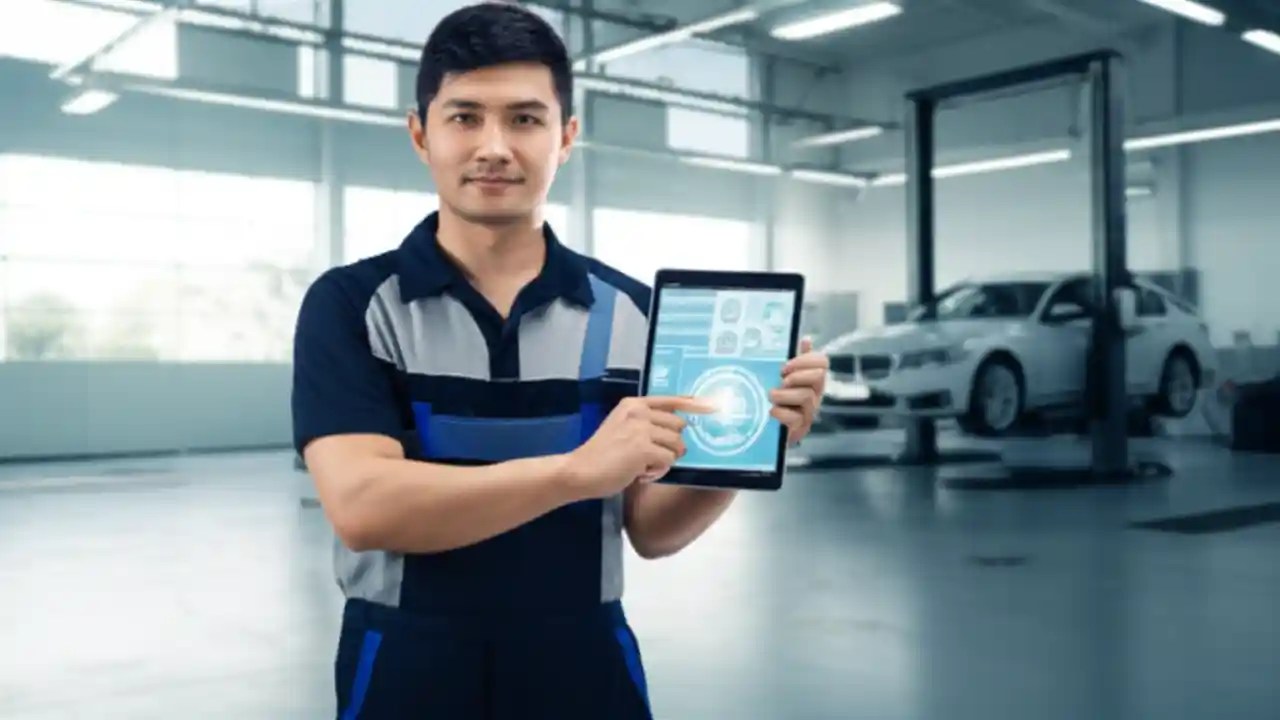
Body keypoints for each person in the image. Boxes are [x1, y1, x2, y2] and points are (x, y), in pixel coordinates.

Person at [290, 3, 828, 718]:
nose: (494, 146)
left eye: (524, 118)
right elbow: (364, 507)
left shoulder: (634, 313)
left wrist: (749, 444)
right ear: (420, 134)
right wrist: (577, 474)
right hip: (406, 659)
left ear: (565, 136)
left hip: (583, 655)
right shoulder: (355, 305)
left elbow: (650, 529)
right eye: (464, 117)